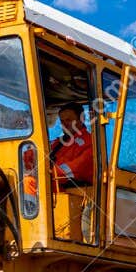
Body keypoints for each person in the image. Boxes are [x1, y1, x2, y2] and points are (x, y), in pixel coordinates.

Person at [49, 103, 95, 242]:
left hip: (76, 194)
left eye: (68, 120)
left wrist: (46, 173)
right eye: (62, 121)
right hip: (53, 190)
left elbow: (75, 169)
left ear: (81, 119)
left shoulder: (91, 143)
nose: (64, 124)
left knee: (29, 182)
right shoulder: (58, 143)